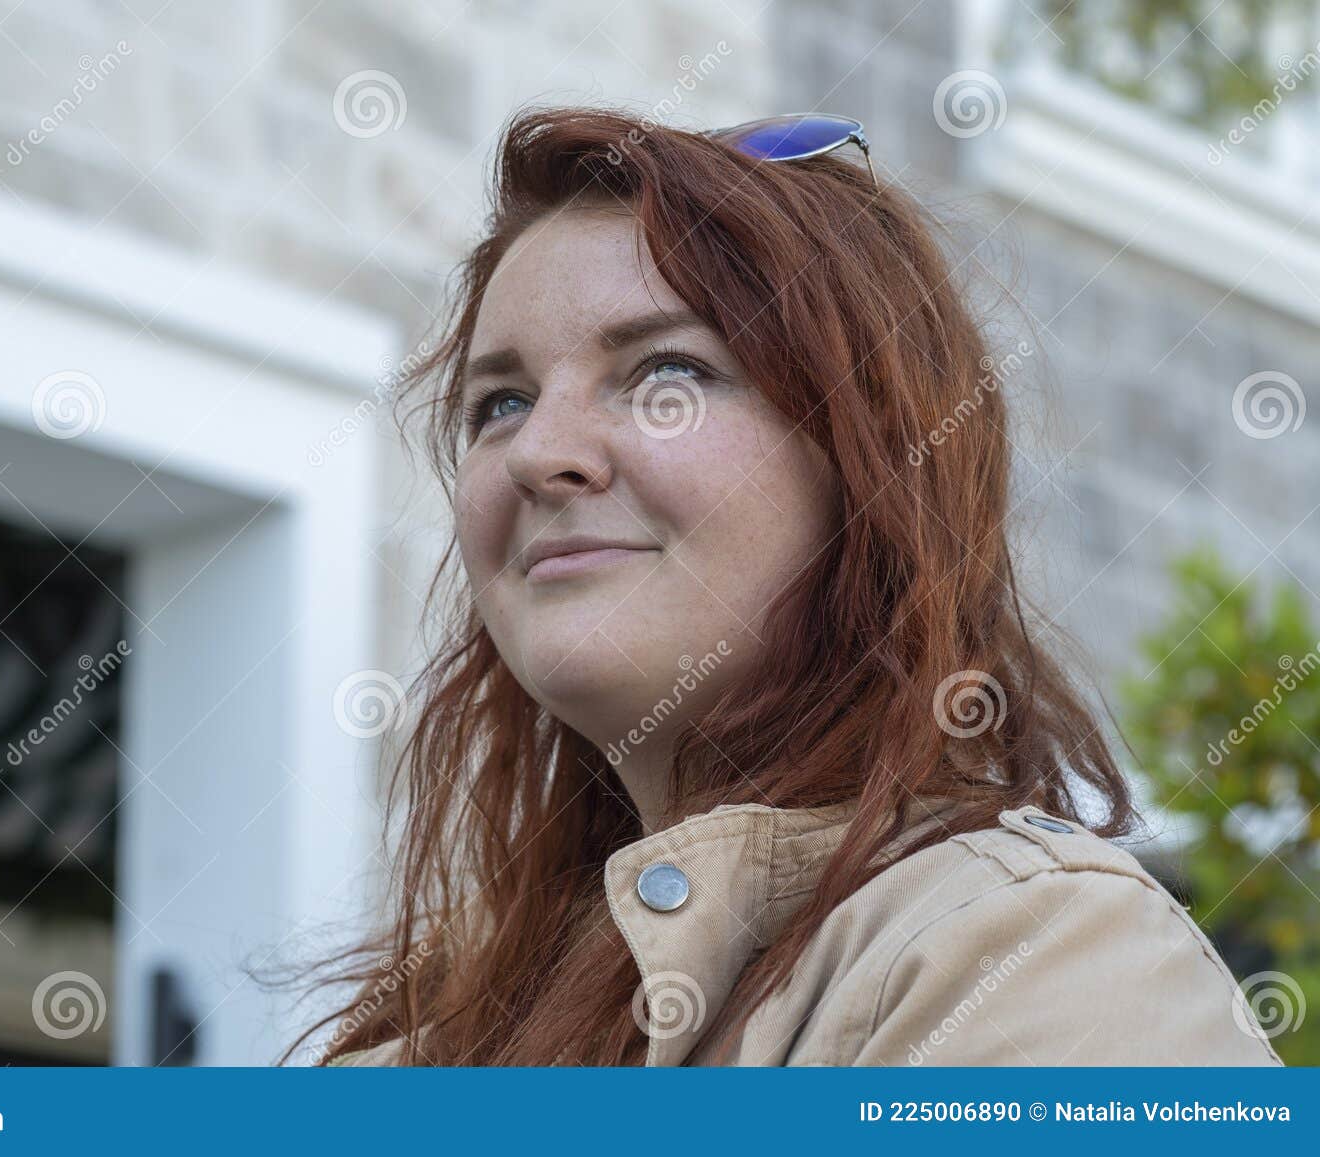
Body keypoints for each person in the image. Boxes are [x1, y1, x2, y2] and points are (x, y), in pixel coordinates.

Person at [298, 106, 1279, 1066]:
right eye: (502, 402)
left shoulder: (1037, 957)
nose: (537, 451)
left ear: (871, 462)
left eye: (665, 374)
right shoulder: (437, 1035)